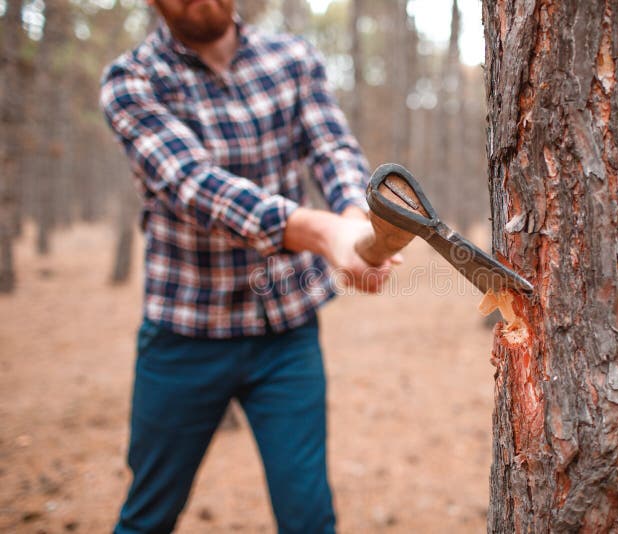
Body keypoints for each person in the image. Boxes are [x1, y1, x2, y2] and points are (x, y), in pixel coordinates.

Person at [100, 1, 397, 532]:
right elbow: (194, 186)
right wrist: (325, 233)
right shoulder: (132, 81)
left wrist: (356, 218)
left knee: (309, 518)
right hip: (184, 335)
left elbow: (331, 147)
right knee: (148, 516)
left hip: (286, 335)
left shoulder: (291, 58)